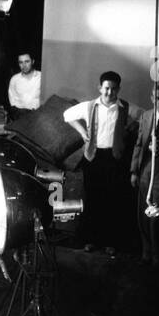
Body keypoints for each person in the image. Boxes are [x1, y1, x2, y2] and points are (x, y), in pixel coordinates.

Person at [63, 71, 136, 256]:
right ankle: (90, 240)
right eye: (106, 88)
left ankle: (110, 242)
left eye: (113, 89)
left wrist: (129, 130)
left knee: (113, 201)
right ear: (99, 88)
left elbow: (143, 118)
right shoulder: (89, 106)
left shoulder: (126, 107)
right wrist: (82, 132)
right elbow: (67, 115)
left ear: (118, 89)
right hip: (93, 158)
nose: (109, 92)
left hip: (115, 158)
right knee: (93, 199)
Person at [130, 82, 159, 266]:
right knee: (142, 212)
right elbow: (139, 144)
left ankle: (157, 252)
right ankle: (146, 250)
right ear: (151, 98)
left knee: (156, 214)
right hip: (146, 168)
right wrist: (134, 171)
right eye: (157, 98)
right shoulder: (146, 116)